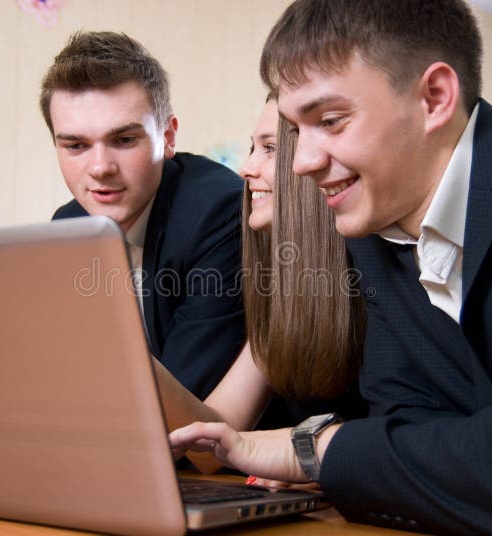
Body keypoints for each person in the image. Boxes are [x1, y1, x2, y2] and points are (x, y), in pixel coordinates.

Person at [169, 0, 492, 533]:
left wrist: (320, 449)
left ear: (434, 97)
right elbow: (406, 435)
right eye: (296, 131)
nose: (301, 163)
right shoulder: (376, 233)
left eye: (330, 121)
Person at [156, 96, 366, 473]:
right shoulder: (284, 288)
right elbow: (213, 440)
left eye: (269, 149)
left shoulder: (372, 274)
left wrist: (296, 457)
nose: (246, 168)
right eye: (253, 148)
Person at [42, 31, 245, 399]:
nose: (101, 167)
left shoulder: (218, 213)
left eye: (123, 140)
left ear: (167, 137)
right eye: (76, 146)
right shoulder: (67, 226)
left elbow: (187, 393)